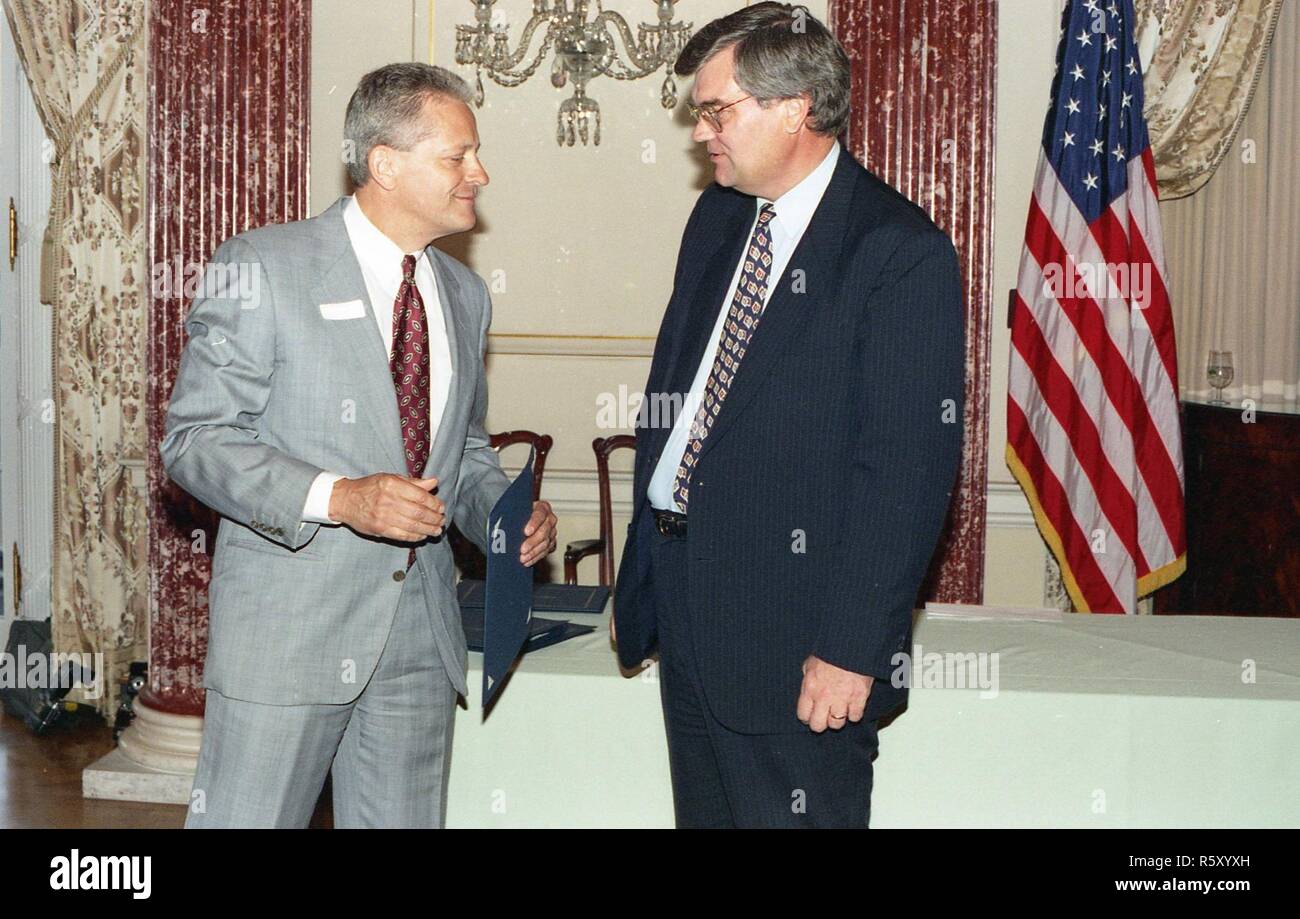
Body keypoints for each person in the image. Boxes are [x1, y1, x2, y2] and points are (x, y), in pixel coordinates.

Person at [161, 63, 557, 828]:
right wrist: (340, 498)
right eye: (458, 156)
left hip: (419, 638)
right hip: (288, 637)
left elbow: (462, 452)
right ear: (384, 163)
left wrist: (506, 513)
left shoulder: (465, 295)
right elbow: (196, 440)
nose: (480, 173)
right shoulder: (264, 267)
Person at [612, 2, 965, 828]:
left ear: (796, 107)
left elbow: (906, 477)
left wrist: (851, 647)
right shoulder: (719, 216)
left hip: (802, 639)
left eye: (717, 110)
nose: (703, 134)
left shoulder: (897, 251)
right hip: (688, 607)